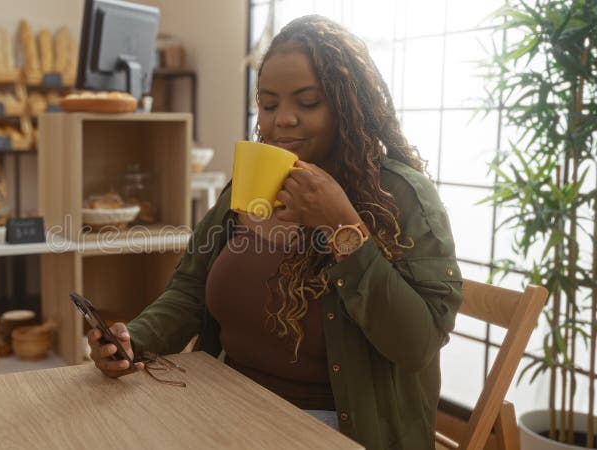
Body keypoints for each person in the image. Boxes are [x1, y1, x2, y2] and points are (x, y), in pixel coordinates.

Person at [88, 14, 462, 450]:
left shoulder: (398, 195)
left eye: (307, 103)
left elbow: (417, 344)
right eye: (268, 105)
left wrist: (342, 225)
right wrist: (134, 340)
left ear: (348, 104)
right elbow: (189, 290)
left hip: (334, 427)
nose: (283, 120)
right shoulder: (254, 181)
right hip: (227, 402)